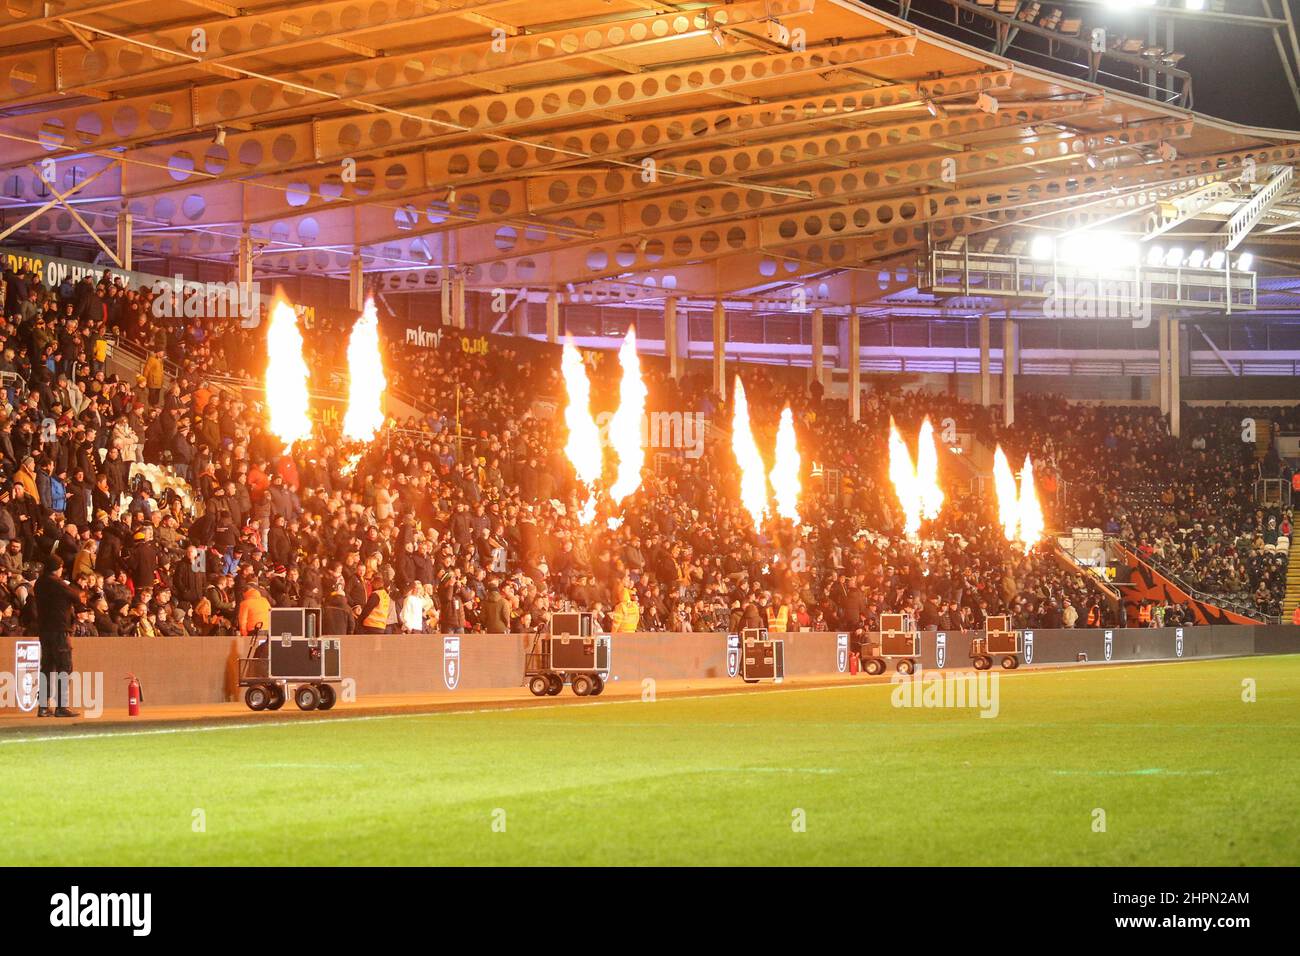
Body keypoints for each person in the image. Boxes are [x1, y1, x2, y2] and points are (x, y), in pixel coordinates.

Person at [34, 556, 82, 717]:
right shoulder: (57, 583)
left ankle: (42, 706)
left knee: (47, 667)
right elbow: (76, 596)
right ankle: (61, 706)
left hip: (44, 630)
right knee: (64, 666)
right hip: (60, 630)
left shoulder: (40, 583)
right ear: (58, 567)